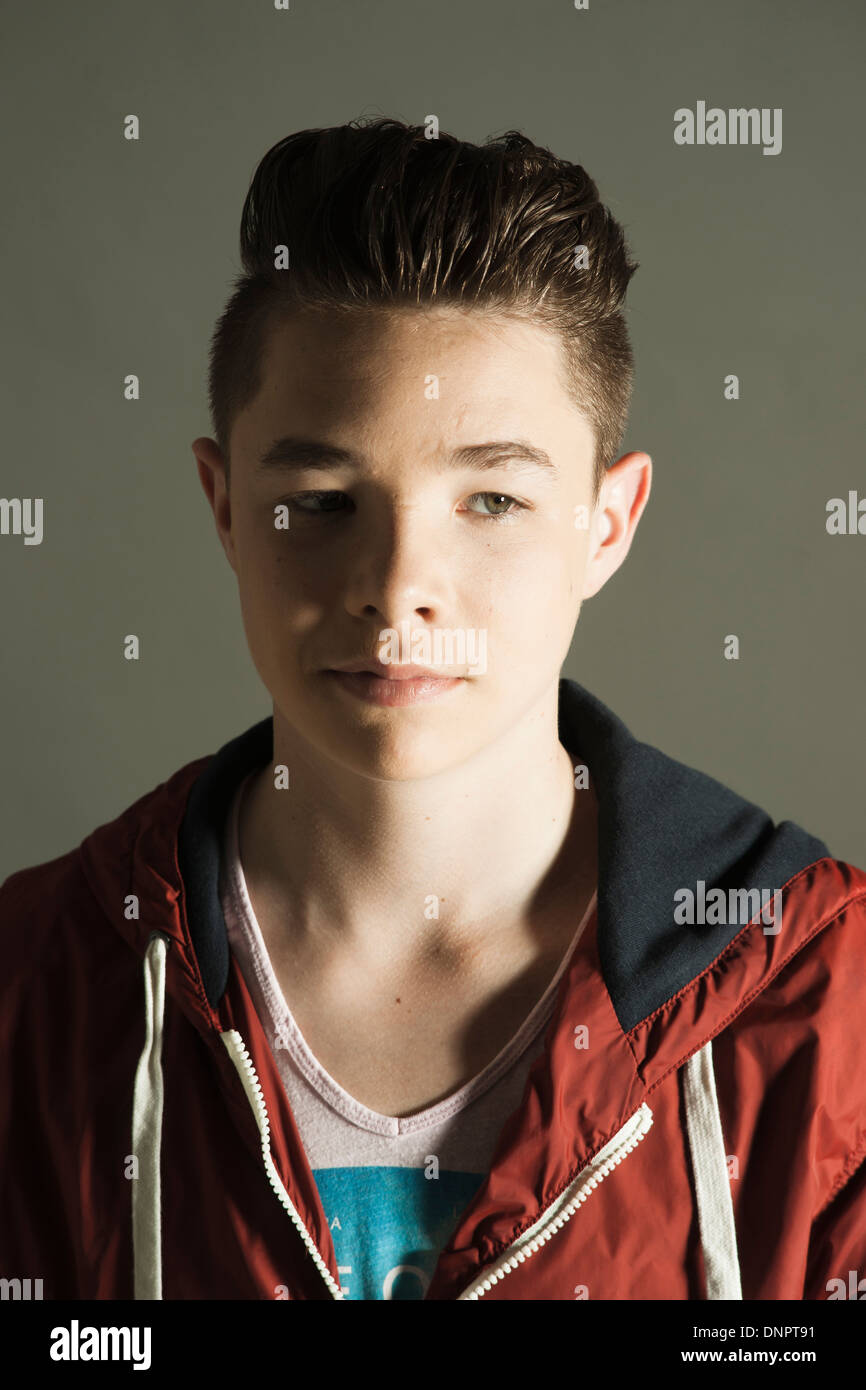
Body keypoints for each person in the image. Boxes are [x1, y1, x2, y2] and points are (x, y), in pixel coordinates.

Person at [1, 117, 864, 1303]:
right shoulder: (33, 989)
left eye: (494, 499)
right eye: (322, 499)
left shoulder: (827, 998)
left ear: (604, 524)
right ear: (222, 505)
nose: (399, 582)